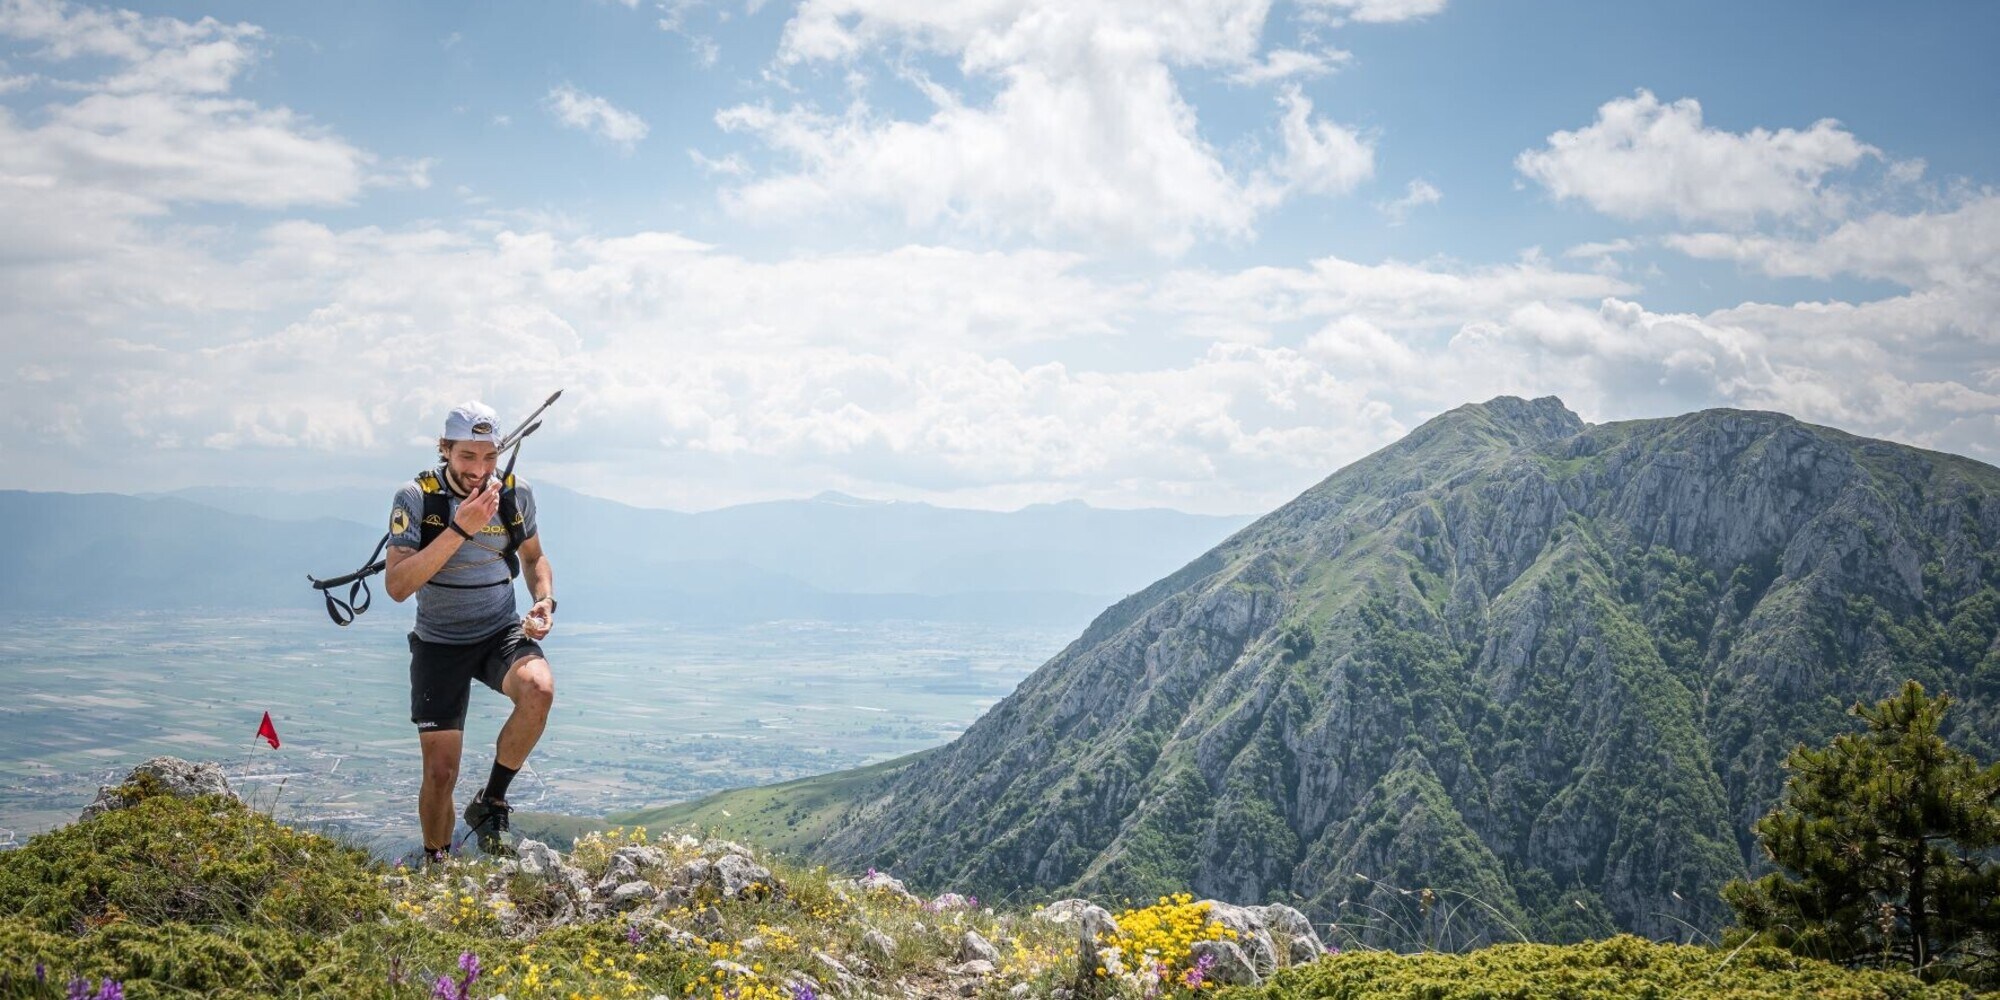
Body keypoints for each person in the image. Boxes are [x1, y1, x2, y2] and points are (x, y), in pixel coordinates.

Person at [384, 401, 557, 863]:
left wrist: (543, 600)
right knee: (440, 773)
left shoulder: (515, 494)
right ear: (445, 449)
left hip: (499, 628)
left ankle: (492, 800)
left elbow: (534, 557)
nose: (479, 470)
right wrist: (461, 528)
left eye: (489, 456)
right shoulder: (416, 498)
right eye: (466, 456)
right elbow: (397, 586)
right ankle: (437, 867)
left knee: (539, 690)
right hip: (439, 640)